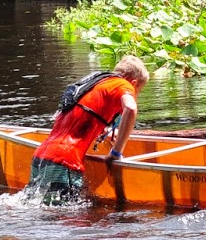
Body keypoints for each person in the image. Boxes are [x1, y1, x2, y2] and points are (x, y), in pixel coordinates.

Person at [29, 56, 150, 201]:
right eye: (140, 90)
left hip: (41, 157)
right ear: (134, 82)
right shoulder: (123, 85)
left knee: (40, 209)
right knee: (68, 219)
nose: (137, 94)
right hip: (65, 161)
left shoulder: (97, 83)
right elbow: (130, 108)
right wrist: (116, 152)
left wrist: (104, 131)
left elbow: (79, 119)